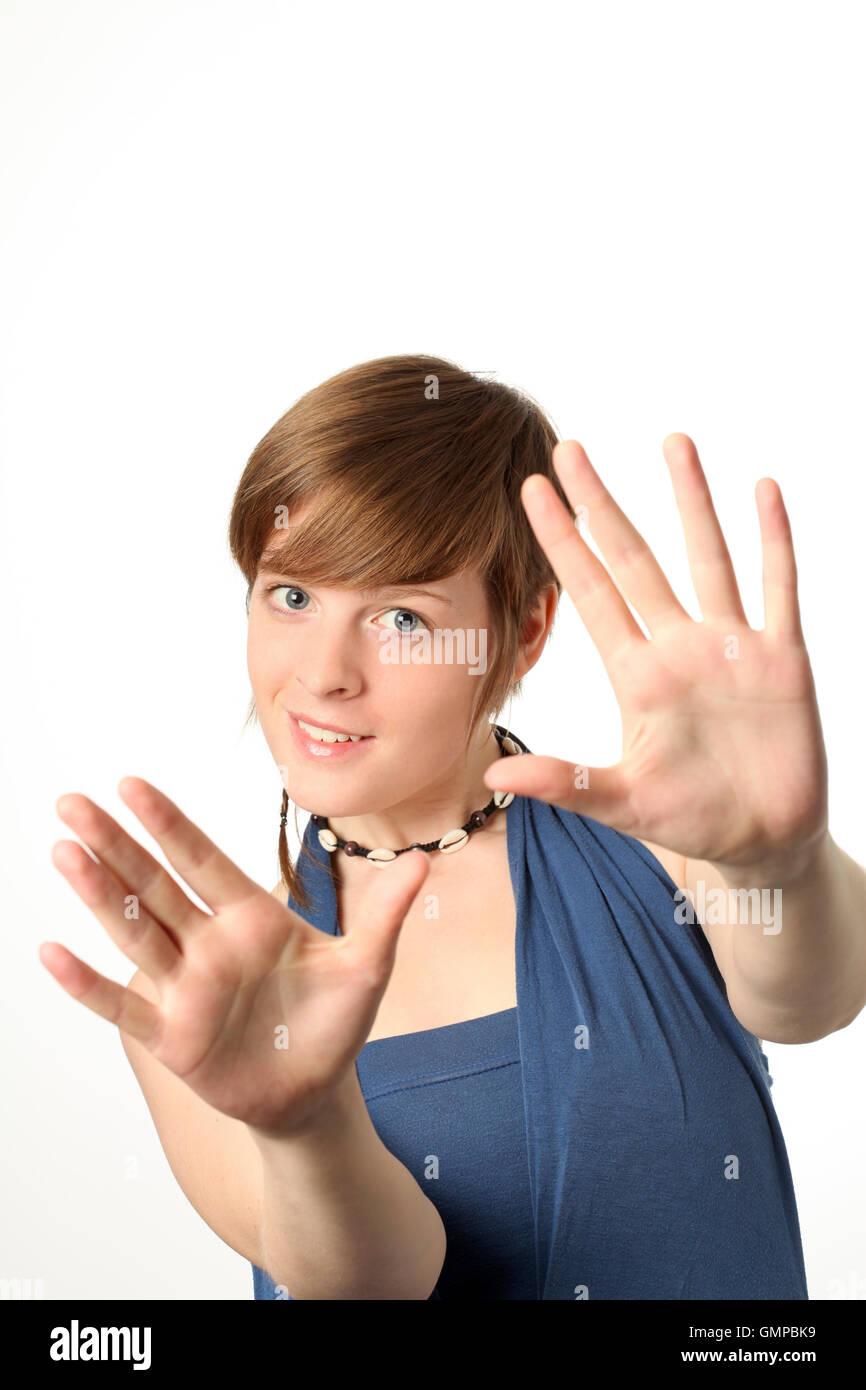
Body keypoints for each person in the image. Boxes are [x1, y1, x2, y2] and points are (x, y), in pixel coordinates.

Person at [42, 354, 865, 1299]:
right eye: (292, 596)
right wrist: (305, 1125)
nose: (322, 675)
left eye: (400, 617)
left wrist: (780, 858)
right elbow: (374, 1283)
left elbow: (813, 998)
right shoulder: (205, 995)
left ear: (522, 634)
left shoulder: (672, 854)